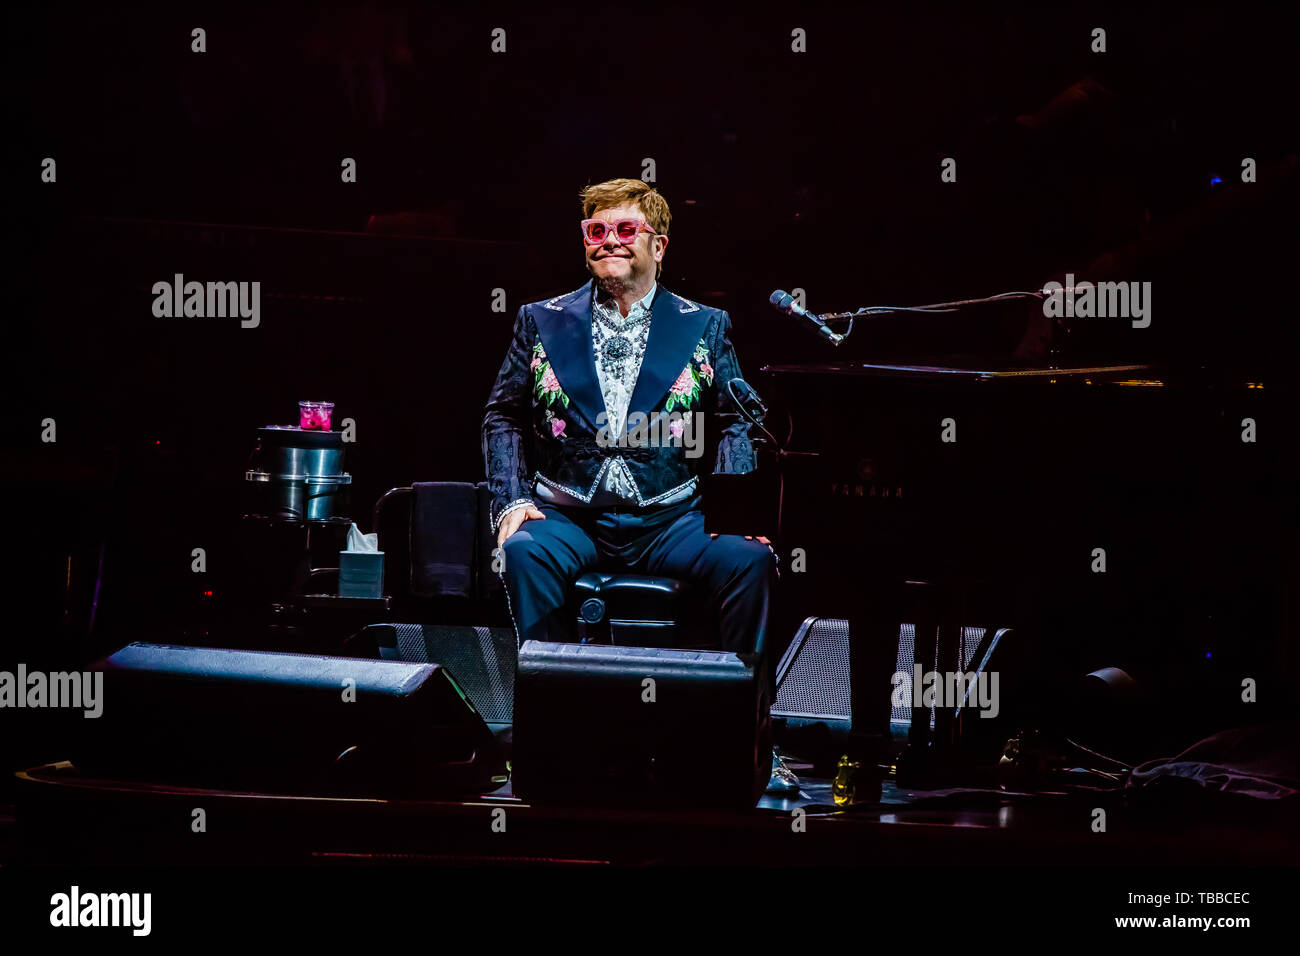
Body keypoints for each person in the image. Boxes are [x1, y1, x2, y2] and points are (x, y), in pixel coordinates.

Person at [481, 177, 777, 662]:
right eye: (595, 230)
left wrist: (737, 509)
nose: (609, 241)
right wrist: (510, 498)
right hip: (569, 515)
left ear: (658, 246)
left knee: (751, 561)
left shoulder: (703, 323)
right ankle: (553, 705)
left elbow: (732, 420)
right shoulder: (541, 318)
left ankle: (739, 719)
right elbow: (503, 414)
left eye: (624, 228)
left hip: (671, 519)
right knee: (521, 551)